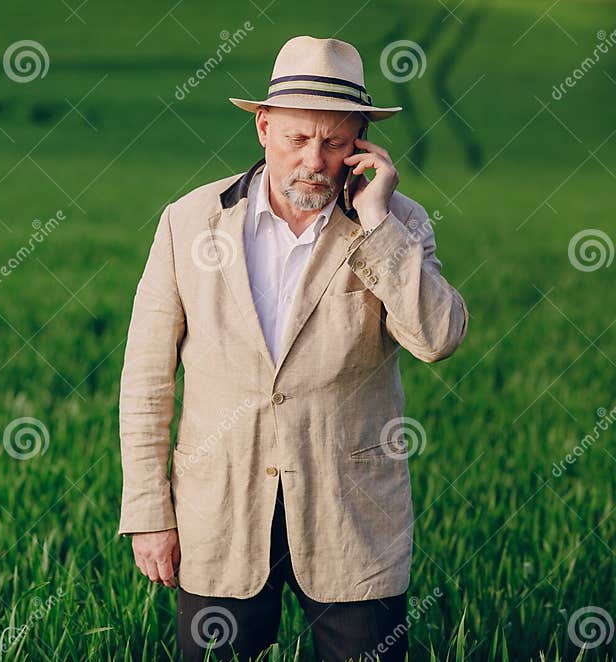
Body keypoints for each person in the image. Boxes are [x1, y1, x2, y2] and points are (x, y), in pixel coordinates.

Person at [117, 35, 469, 661]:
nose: (314, 159)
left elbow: (438, 339)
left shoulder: (398, 223)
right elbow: (146, 380)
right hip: (219, 514)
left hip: (353, 520)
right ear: (263, 126)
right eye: (297, 138)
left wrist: (378, 224)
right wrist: (149, 511)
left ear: (361, 142)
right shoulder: (188, 221)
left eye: (334, 142)